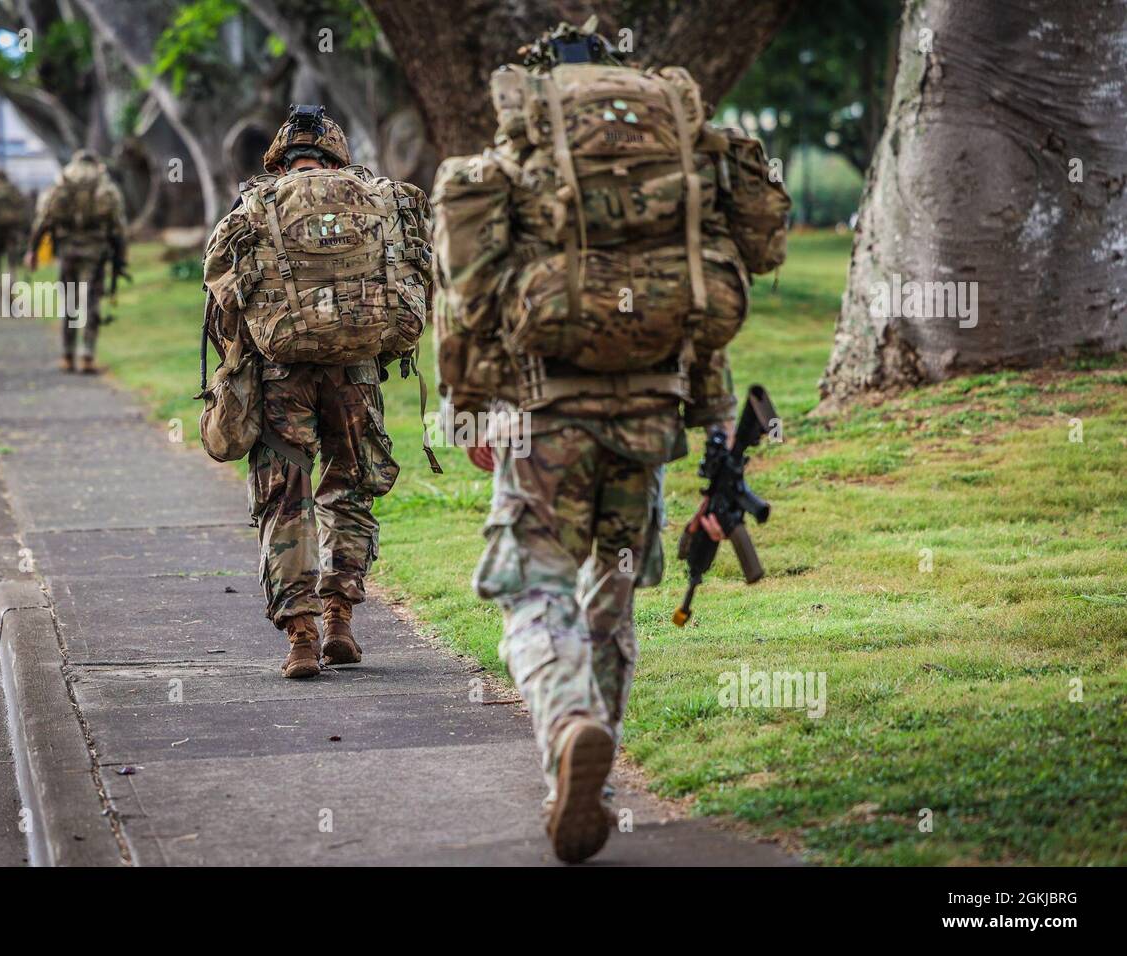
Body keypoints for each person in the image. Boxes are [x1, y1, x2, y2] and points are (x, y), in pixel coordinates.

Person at [431, 18, 787, 863]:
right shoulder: (675, 156)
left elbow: (471, 298)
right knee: (614, 596)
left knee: (533, 586)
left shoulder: (526, 155)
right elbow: (719, 286)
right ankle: (593, 773)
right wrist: (707, 423)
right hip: (651, 416)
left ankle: (567, 723)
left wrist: (471, 404)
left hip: (545, 416)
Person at [200, 105, 433, 679]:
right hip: (356, 373)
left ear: (280, 158)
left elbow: (222, 291)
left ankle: (300, 638)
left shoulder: (257, 204)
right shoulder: (377, 199)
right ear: (337, 154)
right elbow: (415, 270)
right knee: (348, 490)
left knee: (287, 498)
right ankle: (339, 621)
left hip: (282, 378)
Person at [27, 150, 128, 373]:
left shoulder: (64, 179)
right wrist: (121, 257)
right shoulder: (102, 181)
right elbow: (118, 225)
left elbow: (44, 218)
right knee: (91, 301)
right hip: (96, 249)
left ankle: (67, 355)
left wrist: (32, 251)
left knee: (69, 301)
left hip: (66, 249)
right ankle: (88, 355)